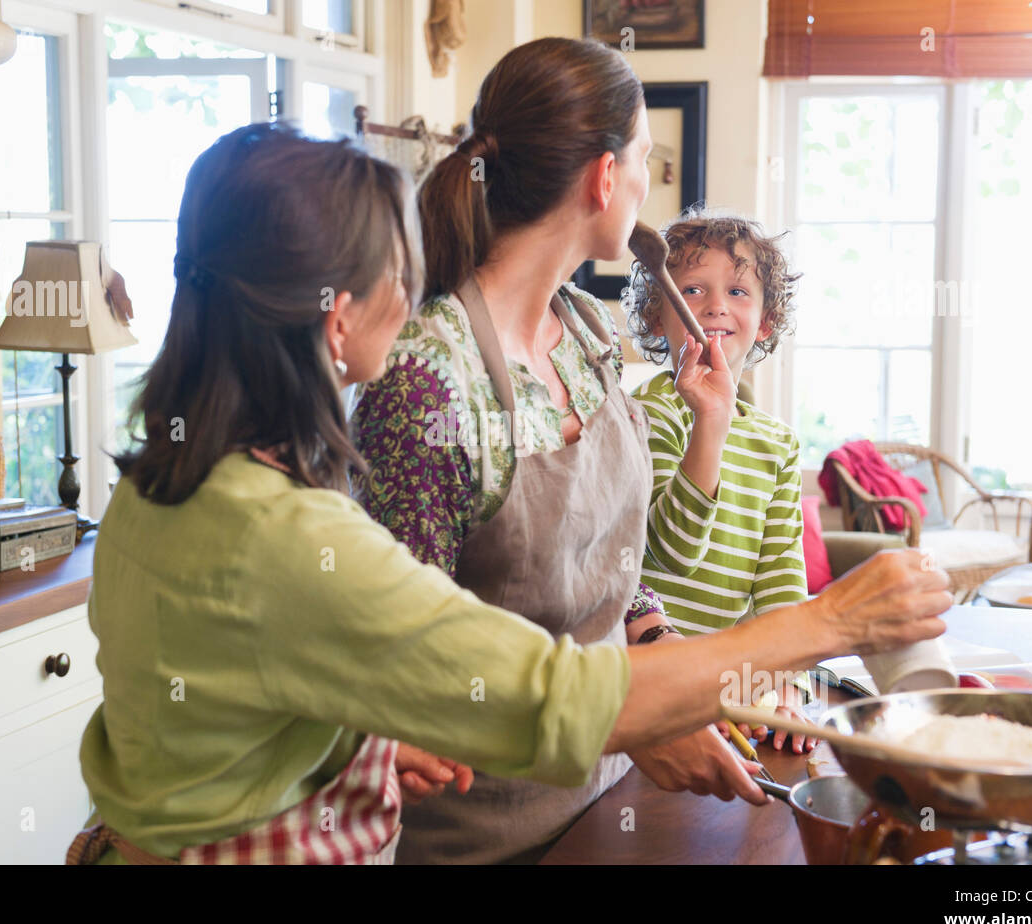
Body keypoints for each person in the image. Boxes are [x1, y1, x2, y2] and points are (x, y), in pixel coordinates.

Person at [71, 121, 952, 866]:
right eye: (397, 271)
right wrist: (834, 622)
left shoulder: (160, 491)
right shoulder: (284, 530)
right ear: (338, 313)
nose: (412, 294)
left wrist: (359, 747)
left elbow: (234, 712)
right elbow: (552, 696)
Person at [349, 39, 905, 863]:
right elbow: (404, 663)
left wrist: (656, 655)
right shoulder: (428, 381)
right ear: (605, 178)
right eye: (644, 160)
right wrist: (624, 722)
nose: (647, 184)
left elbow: (610, 560)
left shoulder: (586, 336)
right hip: (491, 836)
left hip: (610, 796)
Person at [621, 210, 814, 752]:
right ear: (658, 317)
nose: (715, 306)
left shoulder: (778, 444)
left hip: (728, 688)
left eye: (737, 291)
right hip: (650, 681)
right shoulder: (641, 417)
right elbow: (671, 554)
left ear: (766, 322)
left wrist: (786, 682)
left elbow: (779, 578)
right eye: (693, 289)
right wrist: (709, 423)